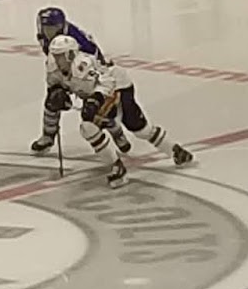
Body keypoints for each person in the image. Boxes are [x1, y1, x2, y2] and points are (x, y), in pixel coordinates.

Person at [47, 34, 192, 188]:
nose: (57, 60)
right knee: (89, 127)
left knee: (139, 128)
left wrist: (95, 99)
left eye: (61, 56)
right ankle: (116, 165)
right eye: (55, 55)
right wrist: (56, 95)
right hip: (104, 92)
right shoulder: (52, 67)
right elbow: (55, 85)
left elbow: (107, 82)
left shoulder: (83, 64)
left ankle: (173, 150)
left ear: (70, 54)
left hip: (119, 87)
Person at [32, 7, 129, 155]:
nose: (49, 31)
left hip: (86, 72)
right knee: (52, 100)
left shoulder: (78, 40)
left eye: (53, 28)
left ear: (61, 26)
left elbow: (95, 60)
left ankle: (117, 133)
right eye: (46, 28)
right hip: (64, 71)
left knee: (95, 110)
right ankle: (48, 136)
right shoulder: (43, 37)